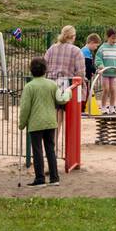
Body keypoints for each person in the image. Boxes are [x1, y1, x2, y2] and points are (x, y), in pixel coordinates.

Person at [19, 57, 61, 187]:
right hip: (50, 121)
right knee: (50, 150)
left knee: (37, 150)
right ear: (45, 70)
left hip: (36, 123)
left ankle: (40, 179)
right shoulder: (52, 84)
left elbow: (25, 107)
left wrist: (22, 123)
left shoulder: (29, 86)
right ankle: (54, 178)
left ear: (31, 70)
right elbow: (59, 100)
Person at [45, 26, 86, 160]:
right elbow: (80, 73)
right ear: (73, 36)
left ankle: (53, 150)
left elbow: (44, 66)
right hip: (68, 87)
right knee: (71, 123)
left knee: (55, 122)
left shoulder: (52, 49)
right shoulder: (76, 51)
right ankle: (70, 155)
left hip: (52, 85)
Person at [94, 28, 116, 115]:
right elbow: (98, 58)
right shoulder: (103, 47)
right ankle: (104, 107)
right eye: (112, 38)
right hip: (105, 73)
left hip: (114, 73)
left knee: (113, 89)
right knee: (106, 89)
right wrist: (101, 65)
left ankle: (112, 107)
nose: (114, 40)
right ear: (108, 37)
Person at [80, 33, 100, 101]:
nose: (96, 48)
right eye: (96, 46)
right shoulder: (85, 51)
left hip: (86, 76)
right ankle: (83, 108)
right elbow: (87, 65)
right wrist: (95, 70)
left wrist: (91, 72)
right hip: (84, 77)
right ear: (92, 43)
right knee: (84, 94)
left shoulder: (87, 51)